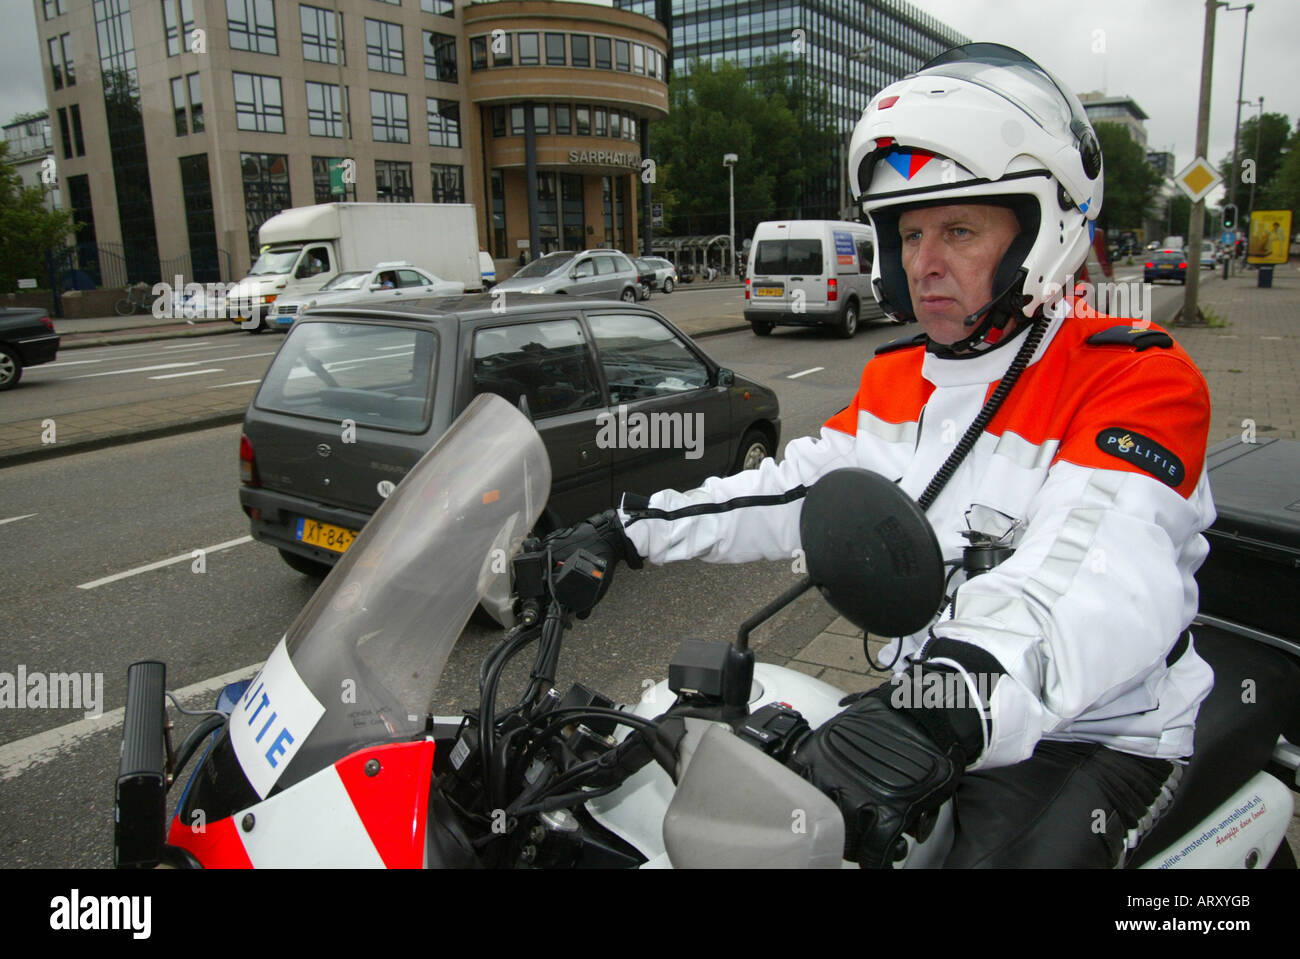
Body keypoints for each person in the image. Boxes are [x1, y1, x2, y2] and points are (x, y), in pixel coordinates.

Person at [544, 43, 1214, 868]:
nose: (924, 264)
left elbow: (1088, 574)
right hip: (928, 708)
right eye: (909, 233)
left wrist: (945, 704)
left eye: (959, 231)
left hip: (1089, 732)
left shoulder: (1135, 377)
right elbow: (792, 490)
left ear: (1043, 231)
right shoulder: (901, 376)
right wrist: (627, 529)